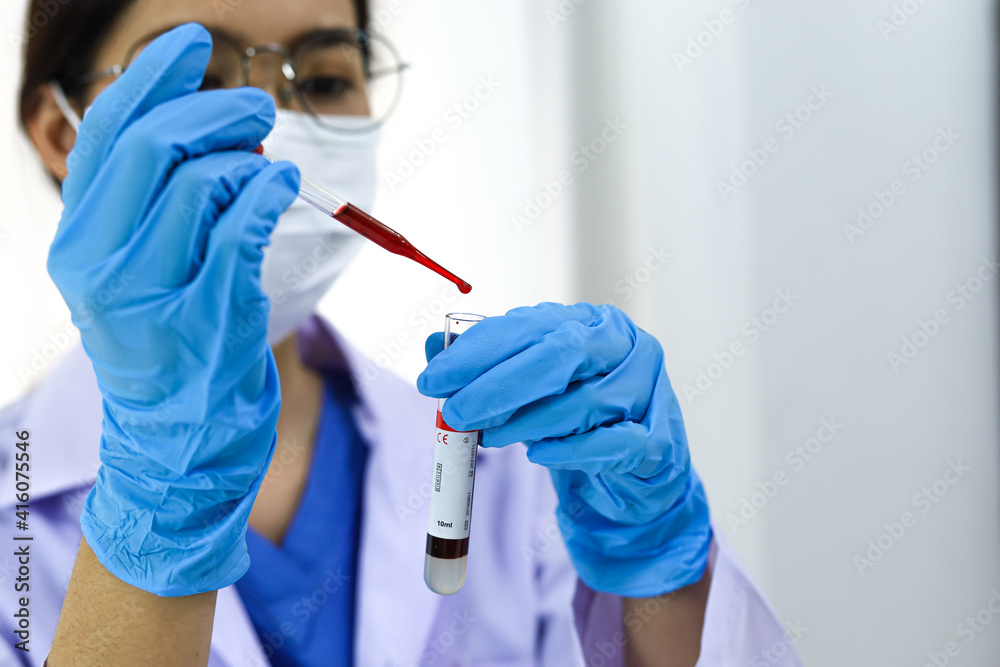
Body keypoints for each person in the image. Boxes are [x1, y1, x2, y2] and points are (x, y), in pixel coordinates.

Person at [0, 1, 803, 665]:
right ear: (65, 133)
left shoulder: (510, 467)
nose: (275, 124)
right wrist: (157, 498)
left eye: (322, 79)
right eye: (202, 83)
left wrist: (657, 564)